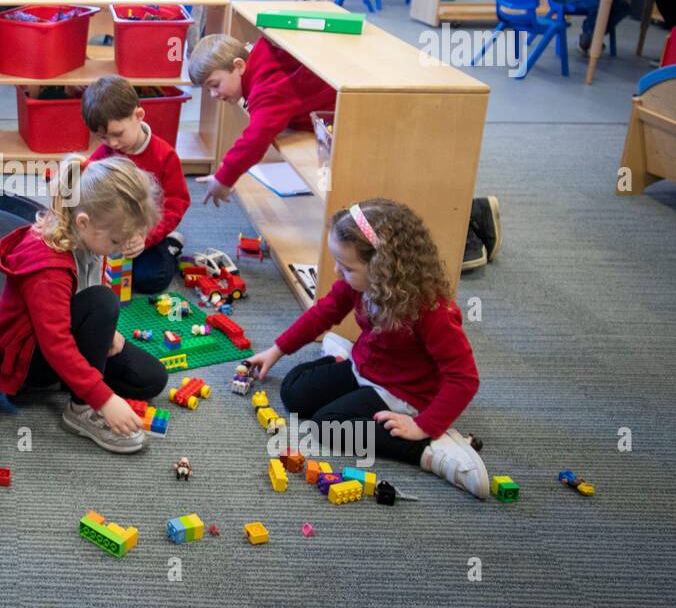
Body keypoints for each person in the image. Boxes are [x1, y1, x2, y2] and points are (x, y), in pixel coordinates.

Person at [187, 33, 503, 270]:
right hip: (362, 107)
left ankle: (462, 230)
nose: (214, 95)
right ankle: (470, 213)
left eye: (215, 85)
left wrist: (225, 177)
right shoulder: (263, 53)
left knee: (385, 188)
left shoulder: (267, 89)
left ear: (240, 66)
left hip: (375, 120)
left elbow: (256, 136)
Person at [247, 200, 490, 499]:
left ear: (382, 269)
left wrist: (422, 426)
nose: (337, 272)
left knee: (326, 427)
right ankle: (340, 357)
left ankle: (429, 451)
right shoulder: (358, 284)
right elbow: (323, 313)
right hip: (363, 366)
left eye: (346, 267)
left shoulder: (432, 311)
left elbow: (464, 378)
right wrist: (277, 350)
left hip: (403, 393)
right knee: (294, 393)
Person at [0, 155, 167, 454]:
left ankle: (79, 381)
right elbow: (56, 343)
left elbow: (87, 291)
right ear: (84, 222)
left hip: (67, 335)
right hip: (31, 362)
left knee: (150, 379)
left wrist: (106, 335)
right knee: (104, 302)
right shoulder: (49, 268)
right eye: (117, 241)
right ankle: (80, 409)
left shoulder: (89, 238)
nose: (120, 248)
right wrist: (103, 399)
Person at [82, 76, 188, 293]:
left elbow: (177, 203)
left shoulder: (164, 155)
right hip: (113, 229)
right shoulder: (106, 153)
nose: (112, 143)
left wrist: (147, 236)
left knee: (151, 278)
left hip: (148, 232)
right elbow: (85, 179)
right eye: (103, 138)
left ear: (138, 116)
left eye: (117, 134)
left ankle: (172, 245)